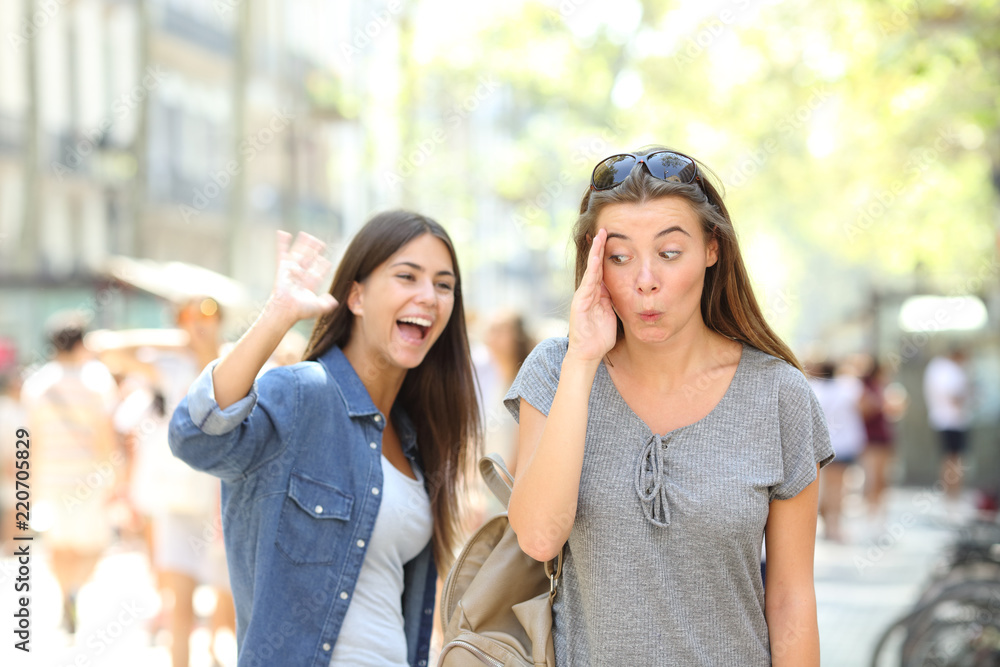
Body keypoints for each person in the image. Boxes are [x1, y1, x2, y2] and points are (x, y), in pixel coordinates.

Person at [503, 148, 834, 666]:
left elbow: (791, 601)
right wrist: (583, 359)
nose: (645, 279)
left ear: (711, 249)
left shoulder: (778, 395)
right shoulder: (557, 371)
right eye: (619, 256)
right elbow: (539, 537)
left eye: (670, 252)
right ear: (594, 264)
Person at [168, 211, 481, 667]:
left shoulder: (415, 437)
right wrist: (276, 317)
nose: (428, 296)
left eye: (443, 284)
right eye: (407, 276)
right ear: (356, 296)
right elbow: (194, 436)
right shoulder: (304, 394)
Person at [20, 310, 120, 635]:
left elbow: (31, 437)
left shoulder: (36, 383)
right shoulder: (97, 380)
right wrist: (115, 474)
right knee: (94, 544)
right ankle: (75, 590)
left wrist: (30, 482)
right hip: (89, 477)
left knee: (59, 545)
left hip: (50, 476)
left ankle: (66, 595)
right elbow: (105, 434)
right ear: (81, 342)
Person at [807, 358, 865, 543]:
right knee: (838, 488)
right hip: (844, 444)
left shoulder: (813, 388)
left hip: (821, 445)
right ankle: (834, 527)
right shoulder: (847, 388)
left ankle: (826, 524)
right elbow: (867, 407)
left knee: (823, 487)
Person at [923, 347, 971, 504]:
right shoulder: (946, 370)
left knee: (950, 459)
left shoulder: (937, 368)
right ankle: (952, 494)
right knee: (953, 460)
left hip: (945, 420)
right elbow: (954, 396)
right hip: (951, 420)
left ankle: (951, 494)